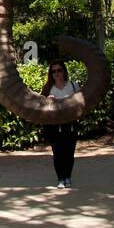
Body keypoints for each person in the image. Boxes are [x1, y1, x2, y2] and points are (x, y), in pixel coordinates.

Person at [41, 61, 80, 189]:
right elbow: (41, 107)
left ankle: (68, 177)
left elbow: (81, 102)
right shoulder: (47, 88)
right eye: (54, 71)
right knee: (58, 152)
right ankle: (61, 179)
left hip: (70, 124)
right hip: (53, 125)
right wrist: (48, 100)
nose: (57, 73)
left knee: (69, 152)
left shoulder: (73, 86)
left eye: (59, 70)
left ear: (64, 71)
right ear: (51, 74)